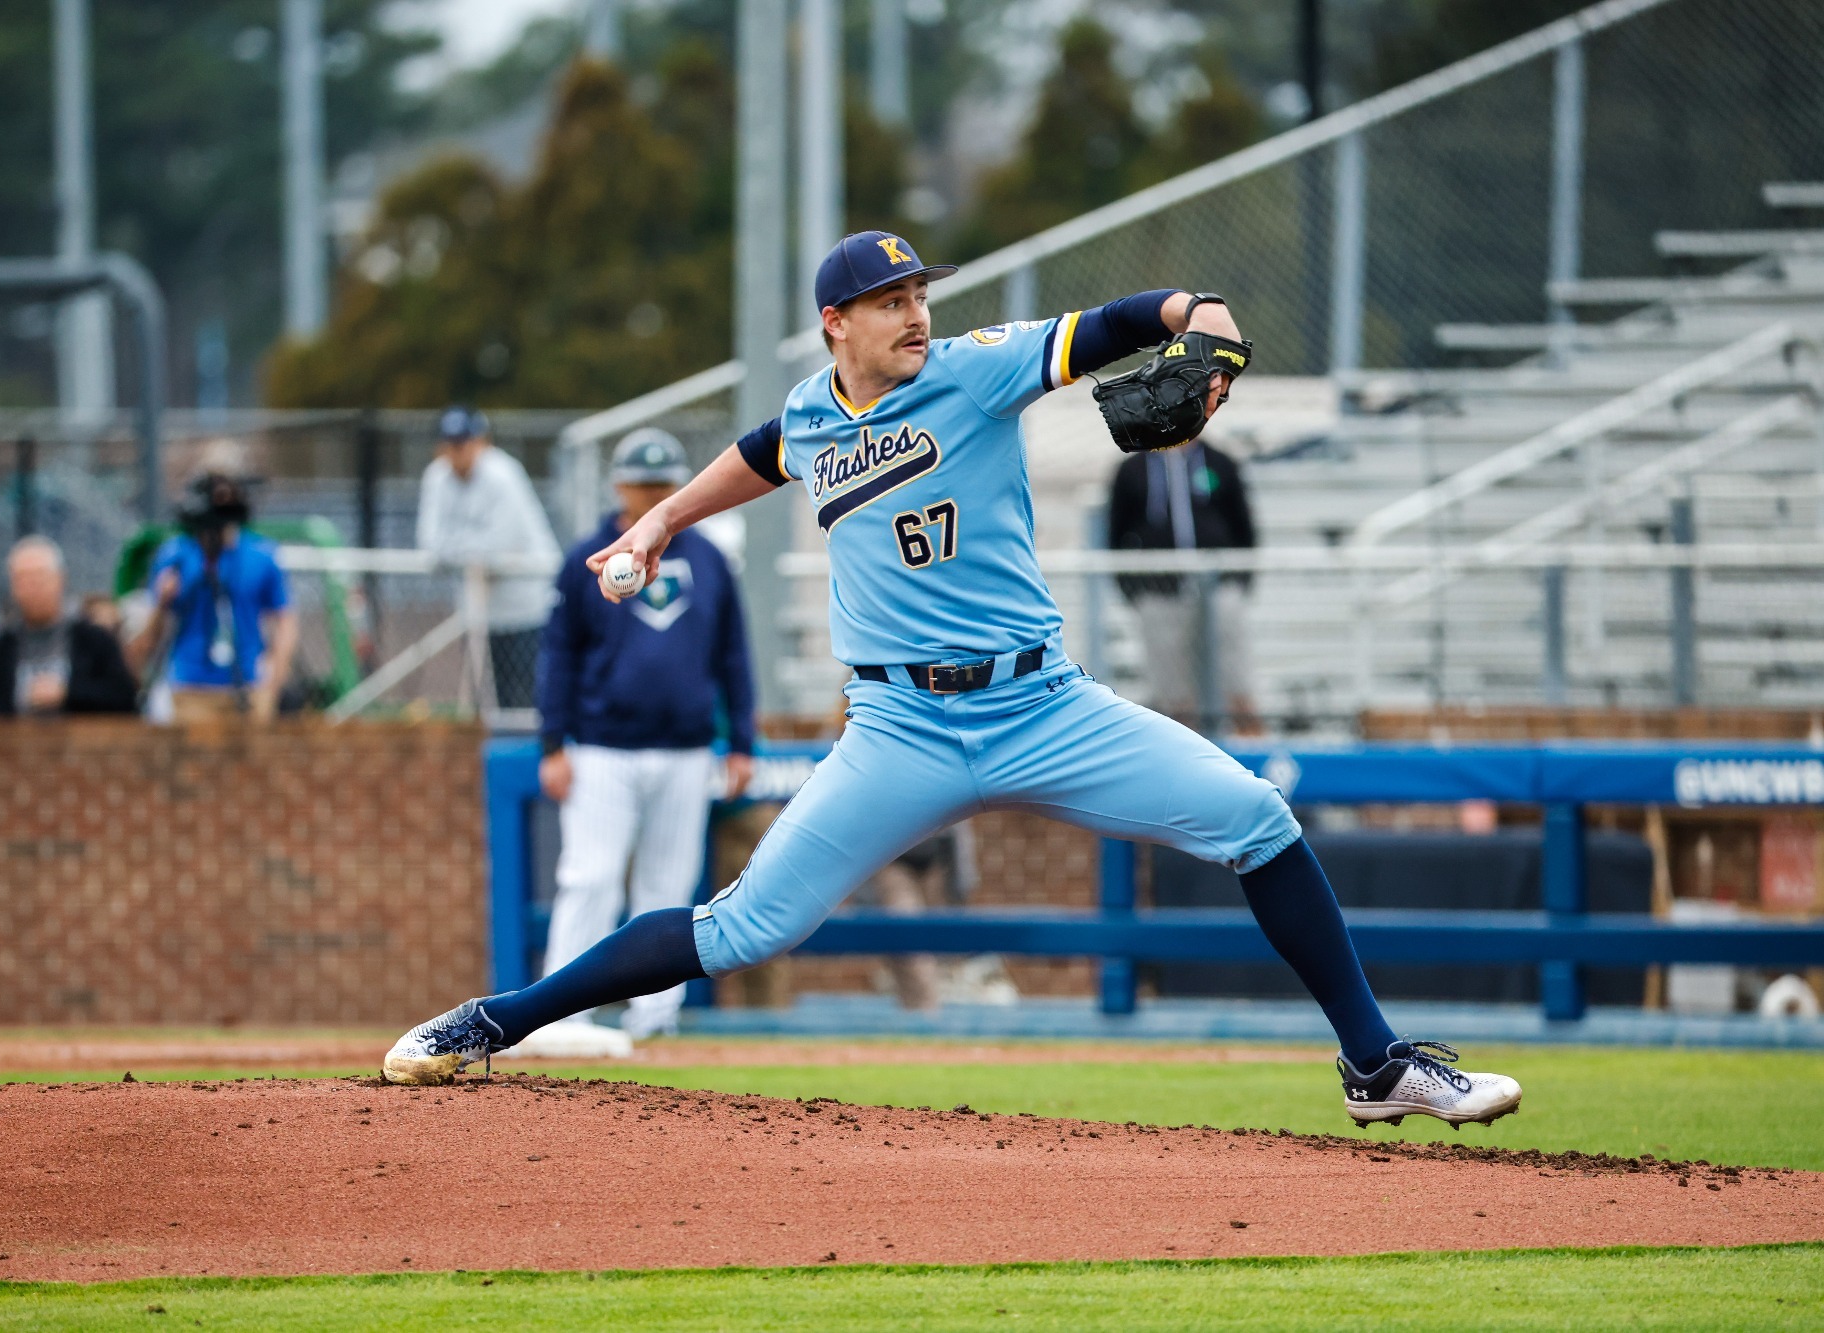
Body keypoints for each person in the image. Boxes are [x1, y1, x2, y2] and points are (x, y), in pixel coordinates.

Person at [385, 232, 1522, 1131]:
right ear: (835, 324)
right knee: (741, 929)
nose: (914, 313)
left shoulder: (975, 368)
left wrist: (1199, 313)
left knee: (1257, 819)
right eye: (888, 301)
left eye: (918, 293)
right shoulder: (812, 413)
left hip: (1041, 704)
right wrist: (661, 524)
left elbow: (1116, 324)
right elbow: (761, 454)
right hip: (900, 728)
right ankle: (493, 1020)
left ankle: (1375, 1065)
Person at [525, 428, 757, 1051]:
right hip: (602, 747)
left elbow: (733, 654)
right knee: (590, 877)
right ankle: (560, 1015)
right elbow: (558, 656)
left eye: (663, 483)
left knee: (669, 885)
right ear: (618, 486)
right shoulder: (588, 558)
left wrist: (741, 740)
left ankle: (655, 1015)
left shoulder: (709, 558)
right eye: (641, 482)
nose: (652, 493)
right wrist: (552, 743)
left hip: (686, 748)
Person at [1108, 440, 1259, 732]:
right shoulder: (1133, 469)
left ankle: (1252, 749)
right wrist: (1134, 588)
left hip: (1219, 588)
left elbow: (1243, 526)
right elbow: (1116, 533)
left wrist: (1240, 580)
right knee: (1173, 693)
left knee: (1235, 679)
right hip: (1160, 592)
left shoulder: (1219, 462)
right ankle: (1185, 748)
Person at [415, 406, 560, 710]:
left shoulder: (503, 475)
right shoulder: (436, 477)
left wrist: (457, 549)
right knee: (484, 703)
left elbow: (498, 547)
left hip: (526, 610)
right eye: (451, 443)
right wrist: (470, 551)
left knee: (526, 702)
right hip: (477, 612)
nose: (458, 451)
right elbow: (430, 544)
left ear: (482, 442)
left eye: (464, 442)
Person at [126, 472, 297, 724]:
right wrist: (162, 602)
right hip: (191, 686)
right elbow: (152, 633)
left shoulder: (261, 555)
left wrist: (274, 680)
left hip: (248, 685)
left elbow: (285, 620)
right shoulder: (177, 554)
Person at [0, 536, 139, 718]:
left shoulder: (94, 642)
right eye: (23, 580)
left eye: (39, 578)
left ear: (60, 579)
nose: (32, 588)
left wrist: (68, 693)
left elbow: (124, 700)